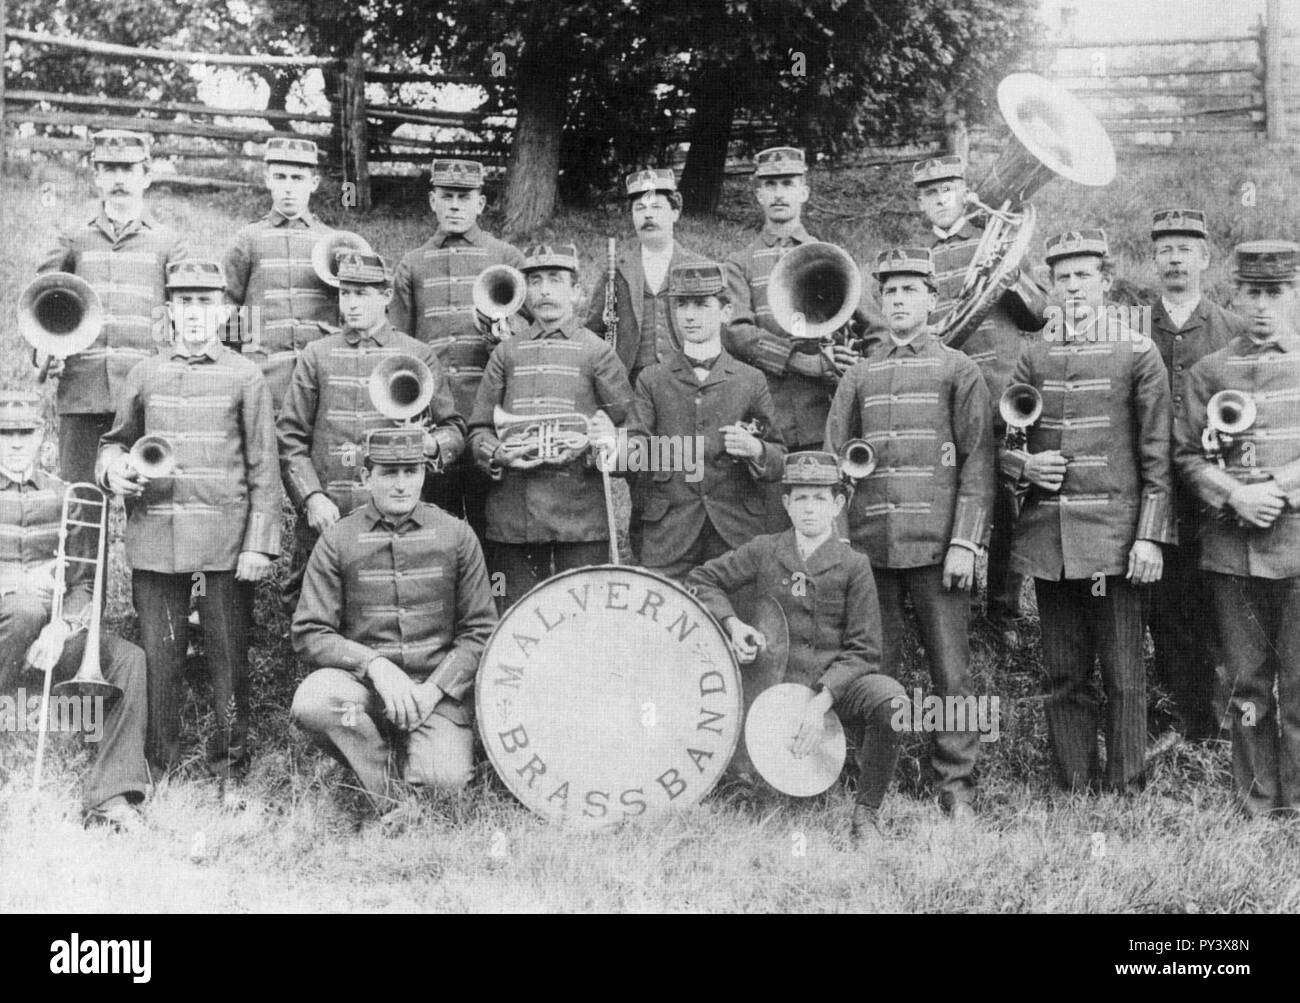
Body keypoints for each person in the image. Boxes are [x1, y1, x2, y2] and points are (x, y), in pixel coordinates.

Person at [1001, 229, 1173, 795]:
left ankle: (1127, 787)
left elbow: (1157, 455)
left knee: (1124, 674)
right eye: (1063, 276)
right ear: (1051, 285)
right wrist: (1024, 467)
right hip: (1051, 539)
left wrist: (1149, 537)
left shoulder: (1138, 352)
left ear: (1106, 280)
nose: (1073, 286)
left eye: (1083, 275)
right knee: (1063, 674)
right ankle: (1073, 786)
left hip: (1114, 543)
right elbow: (1004, 442)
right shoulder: (1034, 353)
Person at [824, 247, 994, 820]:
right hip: (872, 553)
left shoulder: (957, 369)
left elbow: (977, 465)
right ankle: (877, 782)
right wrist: (843, 544)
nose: (898, 300)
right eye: (890, 291)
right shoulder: (859, 373)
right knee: (878, 675)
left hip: (938, 552)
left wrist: (965, 543)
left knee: (952, 674)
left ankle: (957, 787)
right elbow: (833, 464)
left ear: (931, 299)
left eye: (910, 290)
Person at [98, 260, 281, 781]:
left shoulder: (245, 375)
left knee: (229, 666)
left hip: (223, 552)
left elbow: (263, 467)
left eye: (206, 301)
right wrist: (115, 472)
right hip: (155, 546)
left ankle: (230, 770)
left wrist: (258, 545)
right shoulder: (145, 372)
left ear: (224, 309)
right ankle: (159, 768)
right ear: (170, 310)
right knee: (162, 663)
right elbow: (115, 442)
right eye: (184, 301)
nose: (196, 313)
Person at [686, 451, 908, 842]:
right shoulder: (765, 550)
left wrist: (823, 700)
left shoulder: (854, 564)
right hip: (773, 684)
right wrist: (734, 625)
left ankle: (865, 813)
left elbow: (865, 650)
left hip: (834, 688)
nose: (809, 509)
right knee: (760, 794)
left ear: (838, 504)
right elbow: (703, 579)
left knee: (893, 701)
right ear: (786, 504)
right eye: (800, 498)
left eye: (820, 498)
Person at [290, 426, 498, 818]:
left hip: (435, 699)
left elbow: (481, 631)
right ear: (367, 477)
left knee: (445, 782)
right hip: (365, 698)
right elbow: (309, 632)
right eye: (388, 473)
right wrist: (376, 666)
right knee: (316, 702)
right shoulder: (337, 539)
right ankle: (389, 795)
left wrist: (433, 690)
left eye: (411, 471)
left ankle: (420, 761)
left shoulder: (457, 536)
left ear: (424, 473)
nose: (401, 484)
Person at [1174, 240, 1300, 818]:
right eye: (1251, 292)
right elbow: (1186, 457)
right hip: (1233, 553)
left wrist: (1276, 487)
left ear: (1294, 295)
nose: (1262, 306)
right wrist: (1235, 495)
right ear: (1236, 294)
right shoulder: (1210, 371)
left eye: (1275, 293)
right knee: (1247, 685)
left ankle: (1297, 804)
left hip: (1297, 549)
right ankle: (1257, 804)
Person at [276, 250, 465, 614]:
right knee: (312, 608)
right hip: (328, 514)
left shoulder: (418, 354)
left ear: (387, 296)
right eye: (345, 293)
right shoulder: (317, 355)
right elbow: (290, 436)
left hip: (395, 515)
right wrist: (311, 498)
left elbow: (453, 429)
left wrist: (430, 444)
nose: (351, 303)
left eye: (362, 293)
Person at [0, 390, 149, 830]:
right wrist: (20, 585)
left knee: (129, 659)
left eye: (23, 432)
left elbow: (84, 583)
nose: (13, 442)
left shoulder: (69, 495)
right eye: (4, 433)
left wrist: (62, 627)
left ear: (41, 436)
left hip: (50, 637)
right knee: (26, 608)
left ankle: (110, 795)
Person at [913, 154, 1044, 648]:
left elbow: (1039, 315)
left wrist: (1011, 278)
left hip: (1003, 395)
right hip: (948, 399)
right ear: (921, 203)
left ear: (965, 193)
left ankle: (1004, 612)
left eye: (948, 188)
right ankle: (953, 605)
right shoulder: (919, 257)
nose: (941, 198)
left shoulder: (999, 244)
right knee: (952, 499)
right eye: (930, 192)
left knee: (1011, 505)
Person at [466, 243, 632, 610]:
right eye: (536, 281)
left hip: (580, 517)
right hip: (514, 517)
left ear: (576, 291)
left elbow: (628, 428)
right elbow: (478, 430)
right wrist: (496, 451)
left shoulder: (598, 352)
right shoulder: (506, 353)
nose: (544, 290)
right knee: (514, 617)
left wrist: (601, 444)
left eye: (555, 280)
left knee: (586, 620)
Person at [722, 146, 880, 528]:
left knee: (824, 526)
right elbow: (736, 332)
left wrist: (856, 369)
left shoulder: (831, 256)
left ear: (804, 192)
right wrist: (800, 361)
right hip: (766, 420)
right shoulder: (739, 263)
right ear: (758, 194)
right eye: (770, 185)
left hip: (822, 416)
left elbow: (876, 329)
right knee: (774, 528)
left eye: (788, 183)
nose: (779, 193)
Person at [1144, 208, 1244, 744]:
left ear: (1206, 257)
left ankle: (1226, 714)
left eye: (1186, 248)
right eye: (1165, 248)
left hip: (1216, 496)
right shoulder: (1133, 328)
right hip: (1155, 494)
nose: (1176, 257)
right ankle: (1184, 714)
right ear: (1153, 259)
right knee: (1166, 604)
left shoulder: (1230, 327)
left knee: (1218, 598)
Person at [618, 261, 784, 582]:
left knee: (735, 626)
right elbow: (636, 447)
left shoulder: (750, 380)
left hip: (735, 533)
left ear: (725, 312)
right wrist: (619, 449)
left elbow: (778, 460)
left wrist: (755, 449)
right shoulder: (652, 380)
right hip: (669, 534)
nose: (689, 315)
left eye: (701, 305)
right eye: (681, 305)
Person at [36, 130, 186, 484]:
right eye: (109, 168)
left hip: (143, 393)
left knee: (148, 500)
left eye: (128, 169)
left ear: (146, 175)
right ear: (96, 175)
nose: (119, 178)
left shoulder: (168, 242)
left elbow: (185, 315)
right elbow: (40, 302)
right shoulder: (74, 236)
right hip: (82, 392)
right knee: (80, 502)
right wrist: (46, 351)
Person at [390, 158, 527, 537]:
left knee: (493, 528)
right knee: (437, 529)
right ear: (432, 201)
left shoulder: (506, 257)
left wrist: (507, 333)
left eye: (464, 197)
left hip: (493, 418)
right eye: (446, 196)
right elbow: (398, 344)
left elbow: (533, 334)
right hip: (434, 419)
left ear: (480, 204)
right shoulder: (413, 264)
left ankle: (493, 597)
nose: (454, 205)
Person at [586, 167, 706, 559]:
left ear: (676, 212)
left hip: (685, 383)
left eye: (657, 205)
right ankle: (644, 554)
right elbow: (592, 329)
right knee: (642, 473)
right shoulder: (615, 266)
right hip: (633, 388)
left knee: (687, 467)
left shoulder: (698, 264)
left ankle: (691, 552)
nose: (648, 213)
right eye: (639, 206)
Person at [222, 137, 343, 413]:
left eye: (298, 178)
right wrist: (239, 360)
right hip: (263, 376)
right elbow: (227, 306)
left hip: (319, 377)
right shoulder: (248, 239)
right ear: (267, 179)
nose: (289, 187)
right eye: (280, 177)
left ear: (314, 182)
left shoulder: (331, 240)